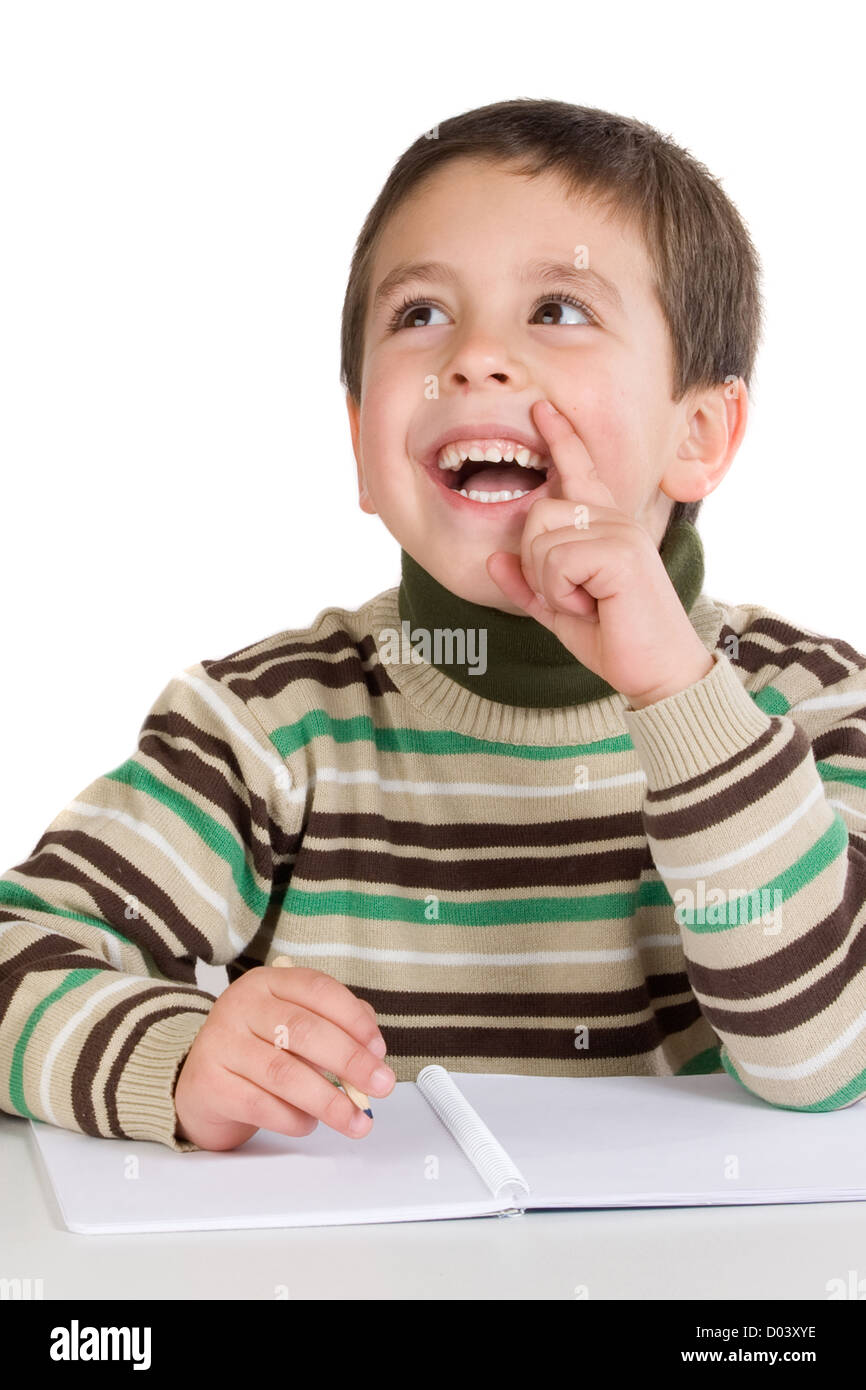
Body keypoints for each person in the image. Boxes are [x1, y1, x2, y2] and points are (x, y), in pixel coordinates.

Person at [3, 98, 865, 1155]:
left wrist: (679, 695)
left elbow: (829, 1059)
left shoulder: (810, 708)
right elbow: (17, 954)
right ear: (365, 438)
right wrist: (175, 1056)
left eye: (556, 309)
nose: (472, 358)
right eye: (419, 315)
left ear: (696, 433)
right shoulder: (266, 729)